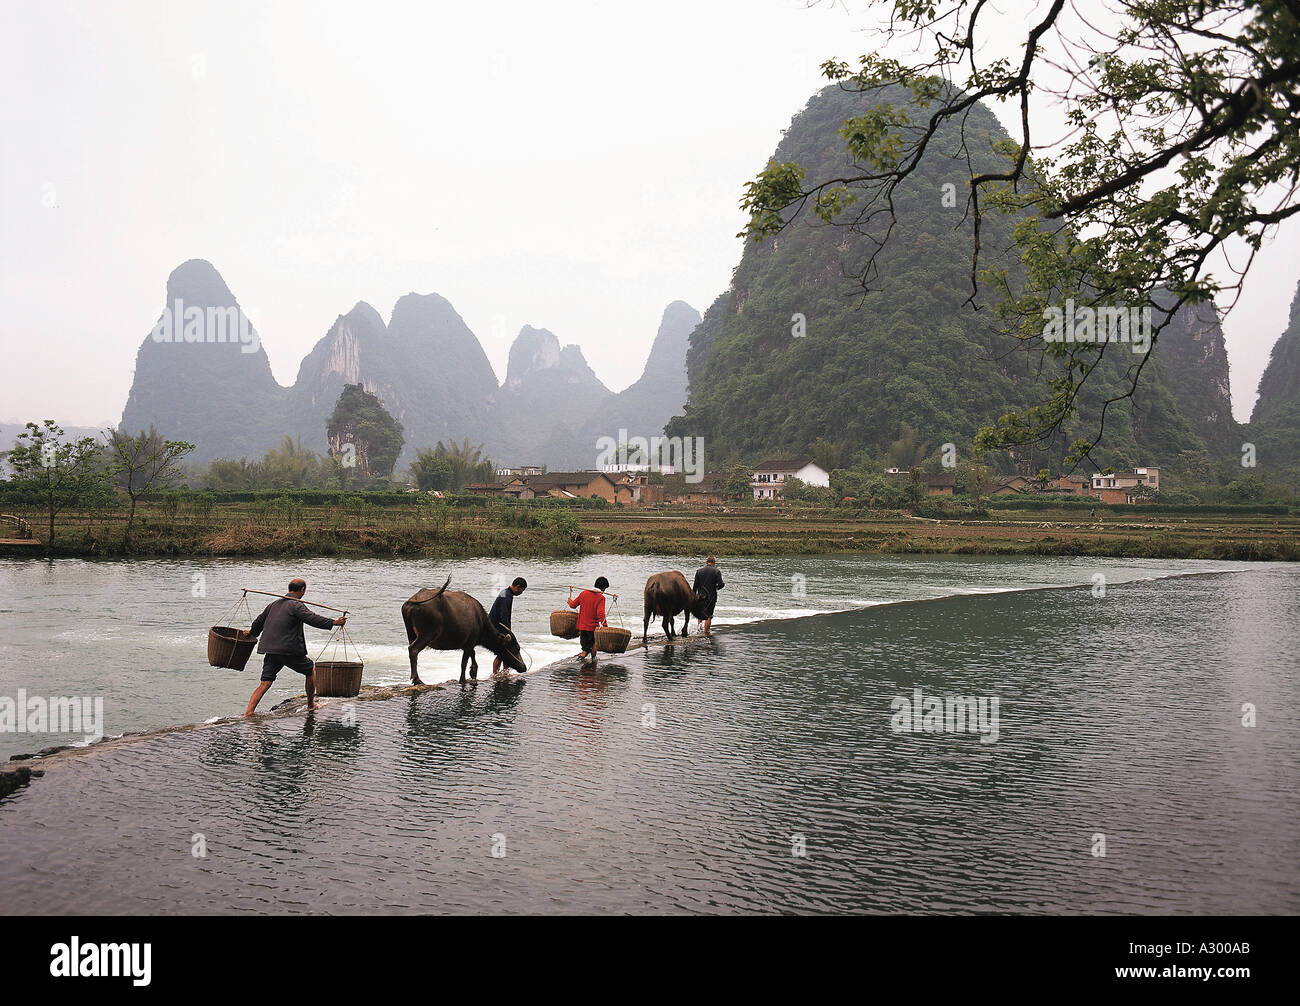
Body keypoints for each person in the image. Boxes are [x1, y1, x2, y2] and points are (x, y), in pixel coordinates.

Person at [240, 578, 346, 716]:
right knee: (310, 670)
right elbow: (311, 618)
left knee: (265, 682)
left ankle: (248, 712)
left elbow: (258, 622)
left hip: (271, 649)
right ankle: (310, 705)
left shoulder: (273, 604)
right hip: (287, 650)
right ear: (302, 590)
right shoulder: (296, 605)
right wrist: (334, 622)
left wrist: (252, 633)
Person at [490, 576, 527, 674]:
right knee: (502, 652)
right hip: (497, 628)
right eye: (522, 590)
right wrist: (507, 632)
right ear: (517, 587)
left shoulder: (506, 592)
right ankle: (495, 674)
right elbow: (504, 615)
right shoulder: (507, 596)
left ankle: (505, 673)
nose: (521, 593)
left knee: (506, 652)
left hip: (495, 626)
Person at [568, 576, 609, 664]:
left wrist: (569, 601)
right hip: (592, 627)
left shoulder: (583, 593)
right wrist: (605, 626)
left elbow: (572, 605)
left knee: (585, 648)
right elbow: (600, 614)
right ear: (603, 588)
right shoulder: (601, 598)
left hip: (581, 626)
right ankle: (593, 661)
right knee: (594, 644)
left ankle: (582, 660)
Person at [692, 556, 724, 637]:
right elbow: (721, 584)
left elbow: (695, 586)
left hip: (700, 596)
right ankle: (706, 633)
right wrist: (717, 588)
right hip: (711, 597)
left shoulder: (699, 571)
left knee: (700, 613)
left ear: (706, 562)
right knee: (709, 615)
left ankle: (699, 630)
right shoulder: (717, 571)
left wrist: (693, 597)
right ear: (714, 563)